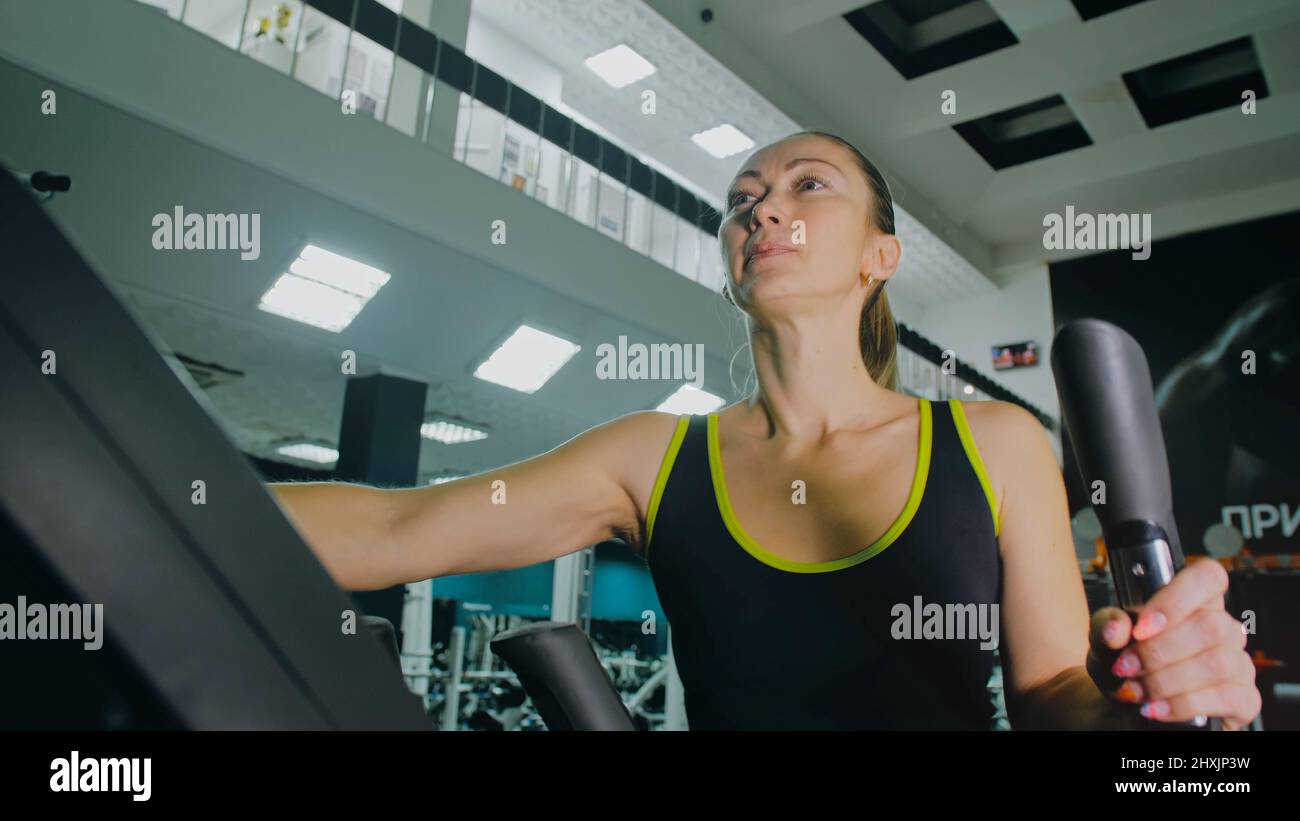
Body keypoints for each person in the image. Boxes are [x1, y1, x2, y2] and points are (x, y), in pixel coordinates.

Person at [270, 131, 1260, 730]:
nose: (762, 210)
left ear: (882, 252)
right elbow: (392, 531)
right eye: (742, 200)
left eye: (806, 186)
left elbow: (1050, 696)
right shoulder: (652, 459)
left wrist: (1152, 698)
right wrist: (138, 482)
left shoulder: (992, 440)